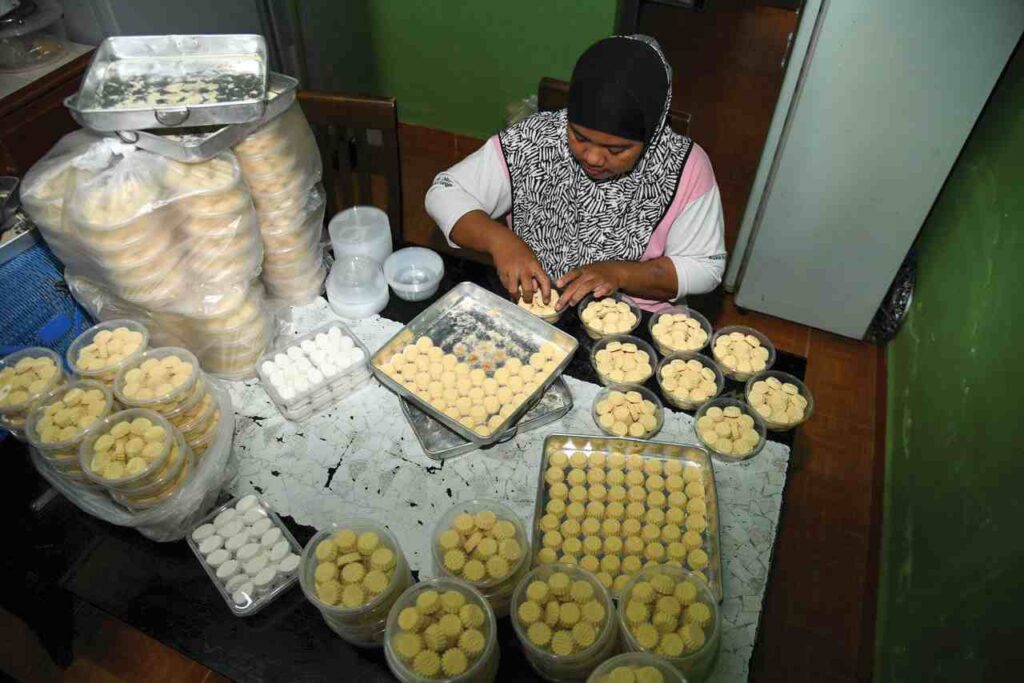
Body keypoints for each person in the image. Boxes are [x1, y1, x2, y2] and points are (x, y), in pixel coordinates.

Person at [425, 35, 726, 312]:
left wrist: (619, 273)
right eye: (579, 137)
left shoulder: (685, 167)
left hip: (630, 317)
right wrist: (500, 240)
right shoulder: (535, 140)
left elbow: (705, 267)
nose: (593, 157)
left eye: (617, 149)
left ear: (652, 134)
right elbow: (444, 192)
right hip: (536, 299)